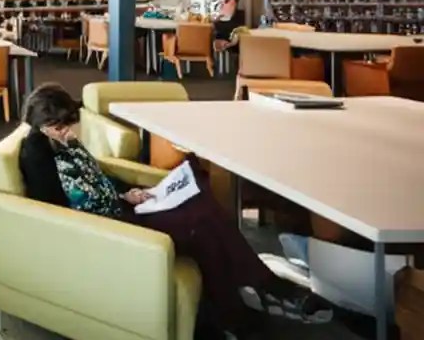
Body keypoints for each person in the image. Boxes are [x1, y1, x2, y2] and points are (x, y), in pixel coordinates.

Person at [18, 84, 330, 335]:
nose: (63, 129)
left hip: (121, 208)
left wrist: (127, 193)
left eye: (65, 122)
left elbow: (95, 175)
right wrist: (117, 204)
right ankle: (259, 294)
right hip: (109, 226)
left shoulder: (63, 143)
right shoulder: (37, 153)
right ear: (39, 124)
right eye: (54, 125)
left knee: (202, 204)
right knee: (201, 221)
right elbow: (55, 209)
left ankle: (243, 305)